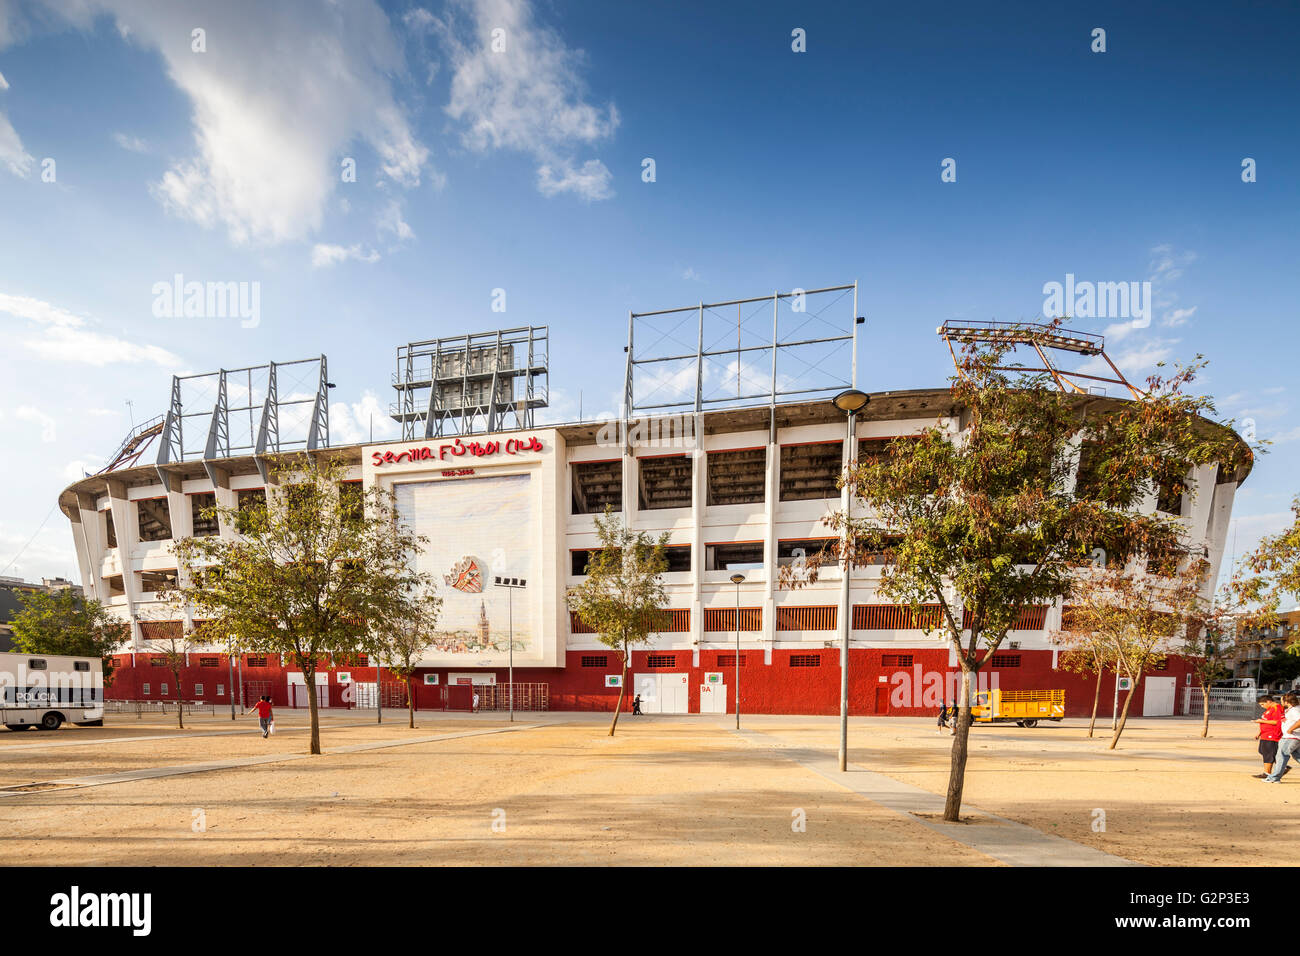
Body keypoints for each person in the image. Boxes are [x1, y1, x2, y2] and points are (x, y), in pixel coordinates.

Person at [1264, 693, 1300, 782]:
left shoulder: (1294, 710)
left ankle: (1274, 778)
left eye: (1281, 700)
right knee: (1297, 756)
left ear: (1287, 701)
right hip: (1293, 737)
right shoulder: (1292, 709)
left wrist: (1291, 729)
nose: (1280, 702)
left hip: (1290, 737)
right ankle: (1275, 777)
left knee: (1281, 756)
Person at [1254, 695, 1283, 778]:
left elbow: (1277, 722)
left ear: (1268, 701)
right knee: (1263, 751)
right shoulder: (1269, 709)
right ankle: (1281, 767)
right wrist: (1259, 733)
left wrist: (1261, 721)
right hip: (1265, 734)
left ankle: (1267, 773)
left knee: (1268, 753)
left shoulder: (1276, 708)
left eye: (1263, 704)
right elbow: (1266, 721)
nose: (1262, 707)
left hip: (1272, 734)